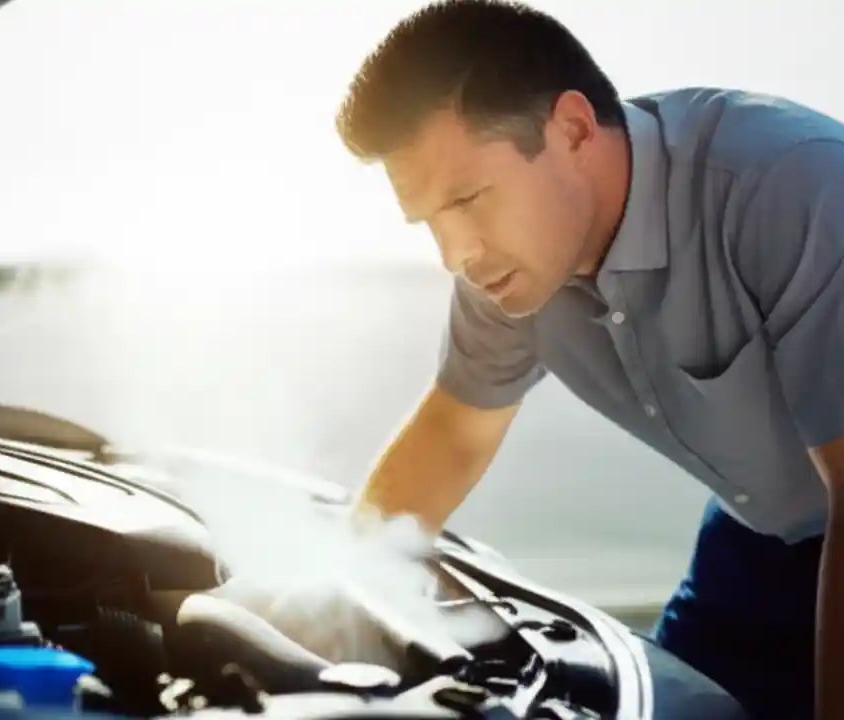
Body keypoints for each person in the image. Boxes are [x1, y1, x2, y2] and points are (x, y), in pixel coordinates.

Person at [335, 2, 844, 718]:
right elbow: (453, 435)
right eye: (431, 222)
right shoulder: (506, 270)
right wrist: (323, 591)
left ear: (572, 128)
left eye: (469, 199)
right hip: (752, 537)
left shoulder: (793, 188)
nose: (455, 255)